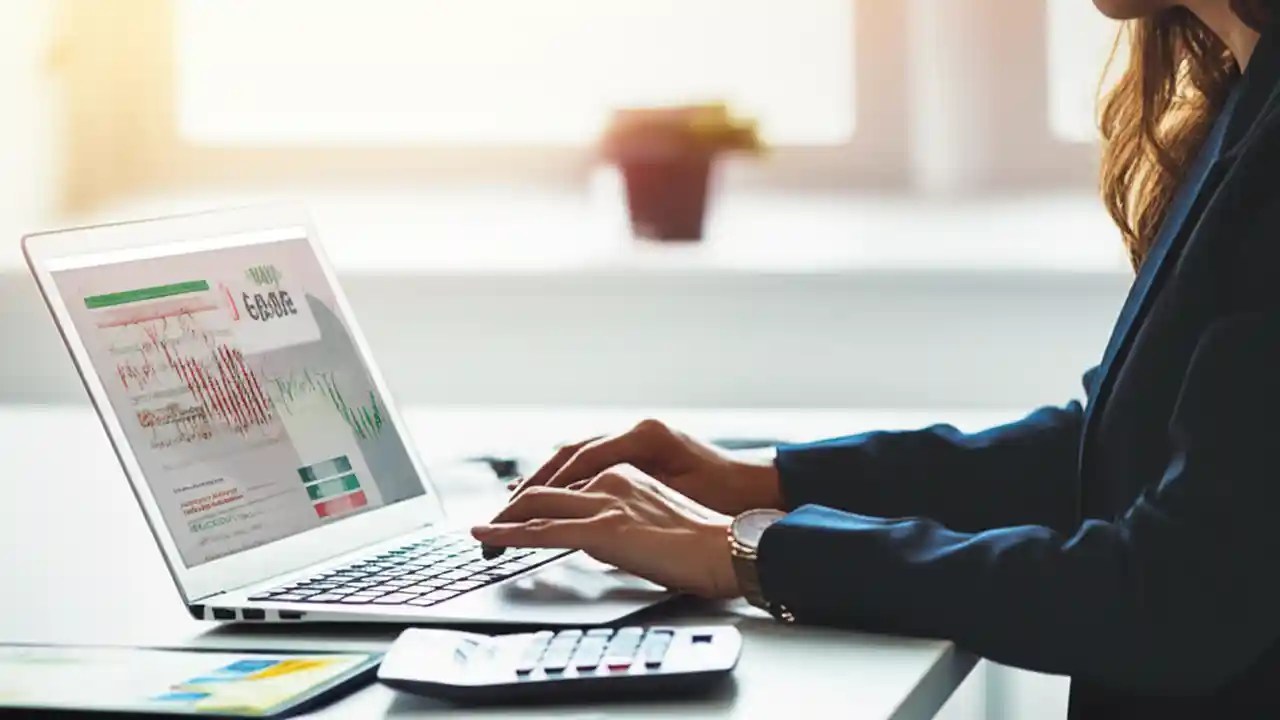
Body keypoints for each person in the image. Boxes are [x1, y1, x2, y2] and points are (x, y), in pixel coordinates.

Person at [472, 0, 1280, 716]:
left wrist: (753, 552)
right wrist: (760, 480)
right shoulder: (1247, 104)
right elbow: (1104, 455)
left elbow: (1178, 596)